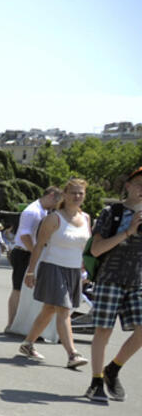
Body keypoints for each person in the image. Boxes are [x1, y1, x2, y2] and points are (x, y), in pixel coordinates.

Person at [17, 179, 91, 367]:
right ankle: (72, 354)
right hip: (53, 267)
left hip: (74, 270)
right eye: (73, 192)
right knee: (64, 309)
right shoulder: (53, 218)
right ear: (64, 195)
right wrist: (31, 271)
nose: (77, 196)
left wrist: (86, 269)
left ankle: (28, 343)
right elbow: (39, 245)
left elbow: (85, 247)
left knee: (50, 309)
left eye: (80, 193)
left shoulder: (87, 219)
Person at [85, 167, 142, 403]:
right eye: (139, 183)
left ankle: (113, 368)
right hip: (110, 278)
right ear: (128, 185)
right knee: (104, 331)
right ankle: (96, 380)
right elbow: (97, 249)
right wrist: (128, 231)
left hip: (137, 281)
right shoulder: (112, 212)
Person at [7, 186, 62, 330]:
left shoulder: (43, 210)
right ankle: (11, 323)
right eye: (57, 201)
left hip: (27, 252)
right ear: (51, 195)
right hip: (23, 252)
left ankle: (20, 323)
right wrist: (35, 252)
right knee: (18, 289)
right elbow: (24, 235)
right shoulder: (32, 211)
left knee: (26, 290)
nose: (57, 205)